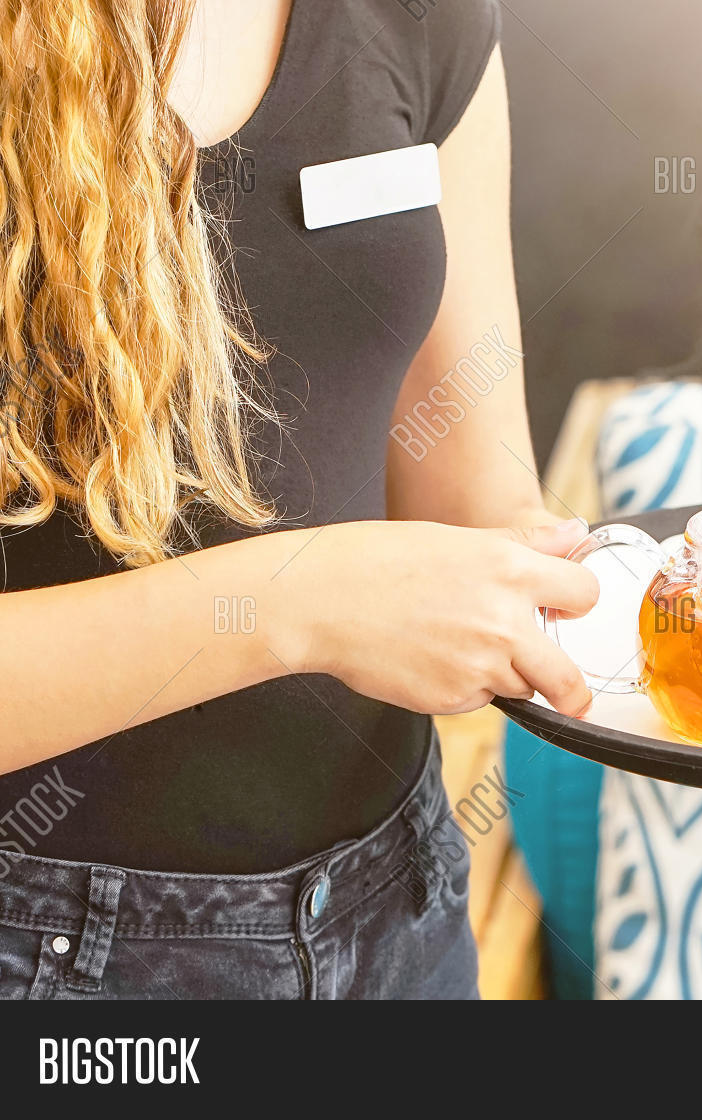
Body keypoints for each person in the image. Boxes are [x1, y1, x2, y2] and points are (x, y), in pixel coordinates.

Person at [0, 0, 596, 999]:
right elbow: (321, 598)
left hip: (396, 908)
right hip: (48, 947)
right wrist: (293, 605)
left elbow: (477, 501)